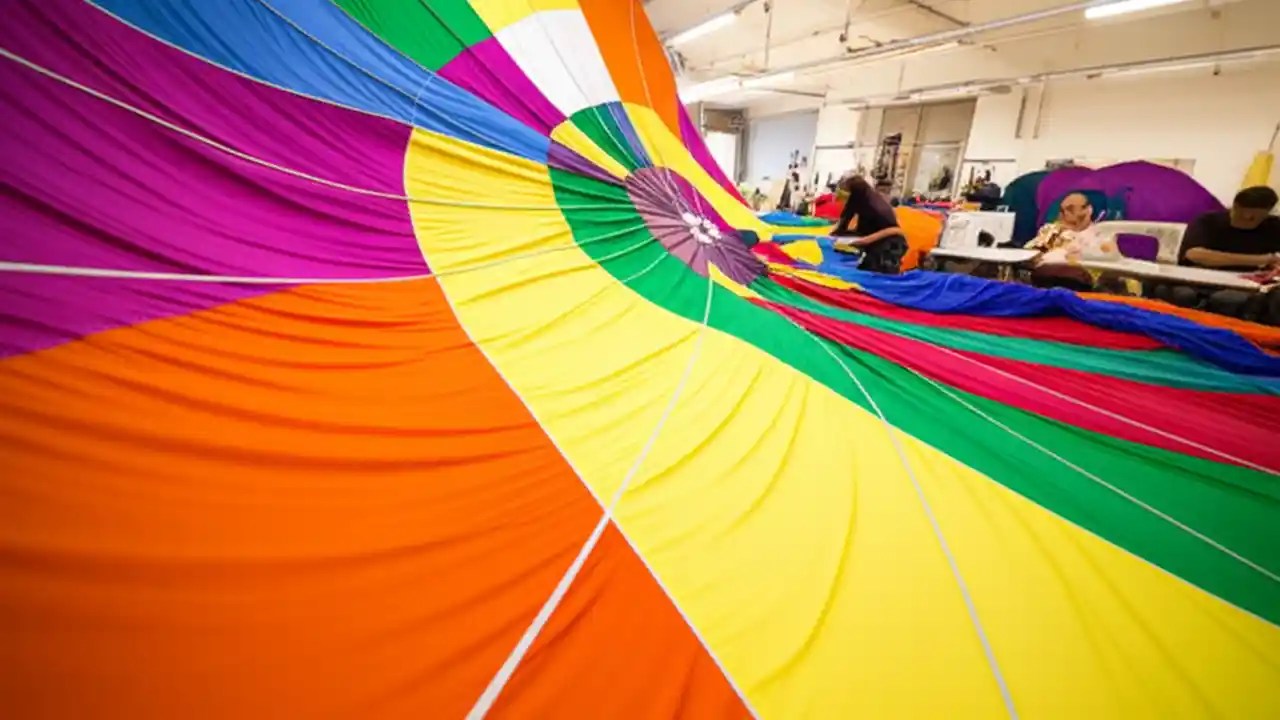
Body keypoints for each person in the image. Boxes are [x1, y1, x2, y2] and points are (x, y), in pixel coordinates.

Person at [1152, 186, 1280, 322]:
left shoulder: (1273, 227)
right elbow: (1194, 254)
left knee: (1232, 300)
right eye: (1240, 213)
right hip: (1198, 278)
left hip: (1246, 283)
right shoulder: (1208, 221)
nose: (1245, 218)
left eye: (1253, 218)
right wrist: (1261, 259)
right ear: (1234, 206)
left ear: (1266, 214)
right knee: (1181, 295)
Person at [1025, 192, 1118, 291]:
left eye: (1070, 209)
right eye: (1061, 210)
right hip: (1043, 278)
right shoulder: (1051, 229)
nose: (1063, 214)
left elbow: (1104, 265)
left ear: (1088, 210)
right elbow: (1028, 252)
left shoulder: (1102, 235)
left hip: (1079, 282)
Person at [830, 176, 907, 273]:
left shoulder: (876, 207)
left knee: (875, 272)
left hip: (889, 245)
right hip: (873, 240)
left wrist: (866, 240)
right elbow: (843, 222)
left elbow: (896, 231)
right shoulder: (857, 201)